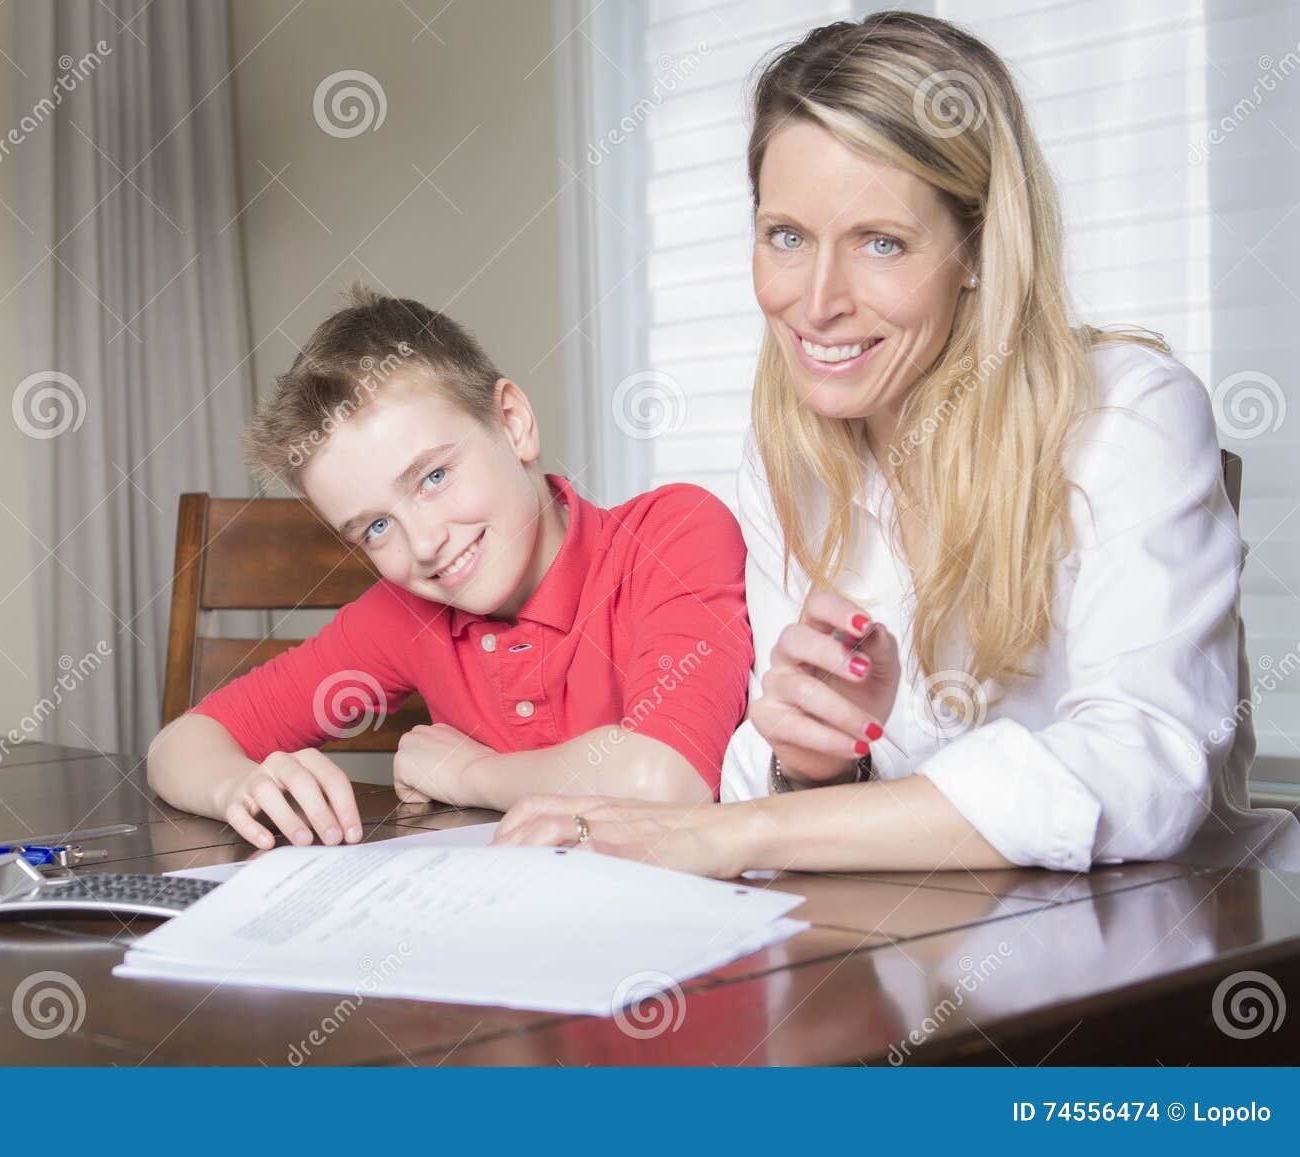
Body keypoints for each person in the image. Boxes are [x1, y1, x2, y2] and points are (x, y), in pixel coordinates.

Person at [494, 10, 1300, 876]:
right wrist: (822, 760)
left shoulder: (1128, 416)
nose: (818, 300)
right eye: (787, 236)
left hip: (1178, 950)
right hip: (913, 949)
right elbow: (780, 776)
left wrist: (751, 831)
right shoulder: (787, 459)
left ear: (980, 248)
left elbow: (1146, 769)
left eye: (881, 242)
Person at [147, 284, 753, 850]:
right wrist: (235, 787)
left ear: (513, 424)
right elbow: (180, 745)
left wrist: (472, 774)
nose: (427, 543)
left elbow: (668, 779)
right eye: (377, 527)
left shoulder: (672, 534)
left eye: (434, 477)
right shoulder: (403, 615)